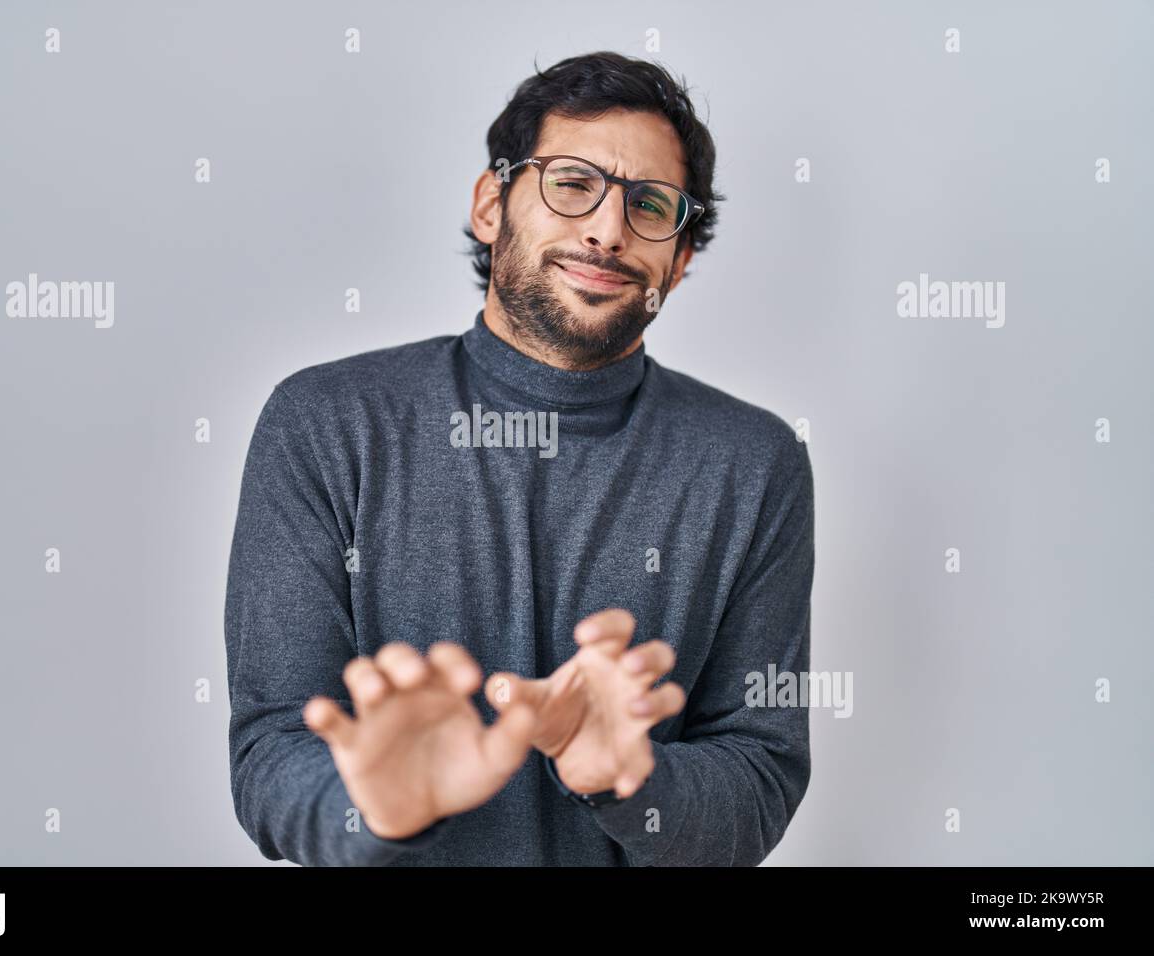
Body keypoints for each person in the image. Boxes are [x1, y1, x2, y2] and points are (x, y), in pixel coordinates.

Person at [224, 50, 814, 866]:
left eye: (651, 206)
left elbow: (759, 779)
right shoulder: (324, 422)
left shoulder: (754, 463)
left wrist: (629, 782)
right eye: (572, 183)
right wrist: (374, 808)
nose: (607, 230)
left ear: (678, 263)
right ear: (491, 205)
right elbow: (270, 756)